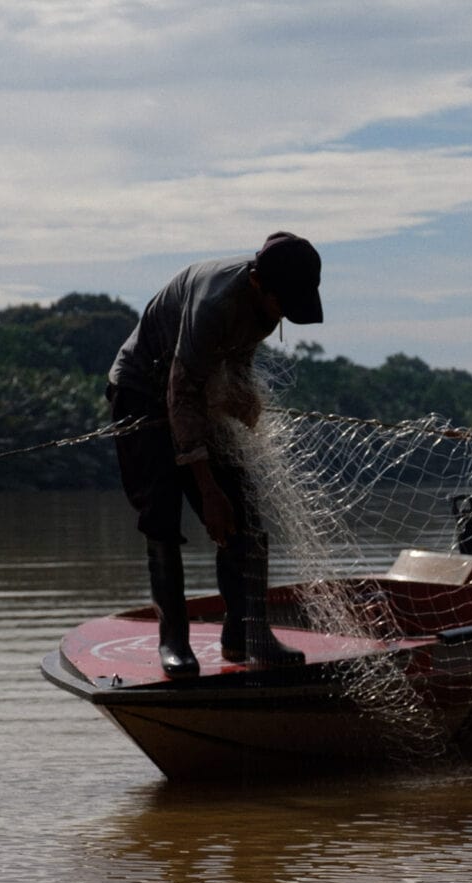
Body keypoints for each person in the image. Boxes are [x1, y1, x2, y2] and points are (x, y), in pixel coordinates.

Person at [106, 231, 322, 678]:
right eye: (284, 302)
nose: (284, 314)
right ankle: (174, 641)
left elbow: (234, 358)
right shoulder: (214, 305)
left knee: (244, 514)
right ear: (259, 285)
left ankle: (247, 634)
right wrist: (208, 491)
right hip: (143, 393)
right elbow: (179, 395)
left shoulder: (269, 301)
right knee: (162, 517)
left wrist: (241, 399)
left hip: (195, 393)